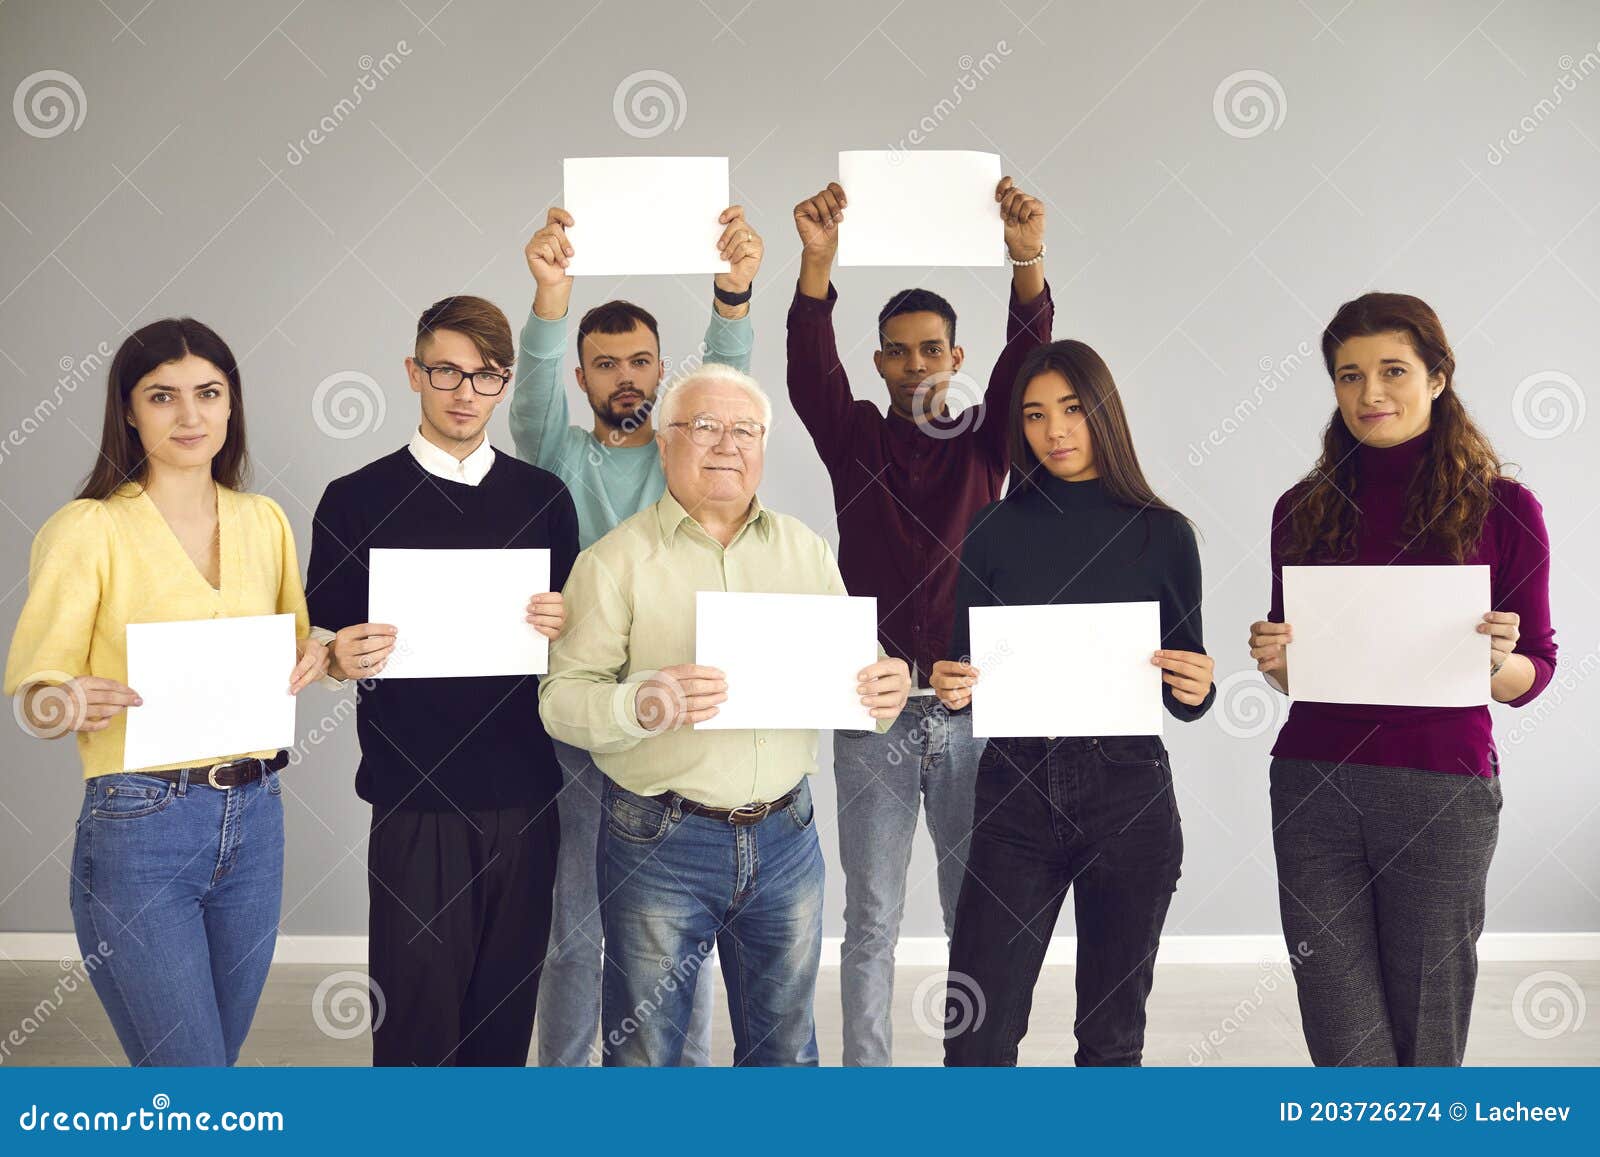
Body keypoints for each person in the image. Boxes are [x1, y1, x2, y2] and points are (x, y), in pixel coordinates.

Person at [539, 364, 912, 1066]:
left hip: (786, 836)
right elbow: (560, 697)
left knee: (784, 1050)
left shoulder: (805, 549)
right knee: (645, 1054)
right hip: (659, 839)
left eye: (745, 429)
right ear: (665, 442)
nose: (726, 443)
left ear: (764, 445)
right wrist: (640, 702)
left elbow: (864, 673)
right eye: (703, 426)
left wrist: (888, 686)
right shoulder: (612, 562)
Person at [3, 318, 327, 1066]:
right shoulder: (87, 529)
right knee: (190, 1074)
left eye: (209, 393)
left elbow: (300, 643)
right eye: (163, 396)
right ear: (128, 409)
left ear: (231, 404)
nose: (190, 415)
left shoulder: (264, 519)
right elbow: (34, 688)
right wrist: (64, 701)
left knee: (211, 1069)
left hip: (257, 820)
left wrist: (324, 649)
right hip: (139, 824)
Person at [1247, 292, 1557, 1066]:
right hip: (1314, 783)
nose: (1369, 393)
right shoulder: (1302, 507)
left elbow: (1534, 671)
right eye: (1348, 376)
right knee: (1340, 1030)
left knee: (1427, 1032)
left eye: (1392, 370)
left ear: (1439, 377)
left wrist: (1497, 662)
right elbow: (1300, 673)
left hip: (1440, 789)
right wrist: (1279, 662)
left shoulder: (1505, 508)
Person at [786, 175, 1053, 1064]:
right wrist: (816, 266)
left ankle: (970, 1076)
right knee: (871, 918)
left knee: (975, 909)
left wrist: (1026, 257)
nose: (915, 365)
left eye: (931, 349)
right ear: (880, 362)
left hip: (973, 706)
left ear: (955, 354)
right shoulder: (855, 435)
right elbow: (807, 371)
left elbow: (1030, 350)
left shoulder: (986, 438)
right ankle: (870, 1083)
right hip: (873, 709)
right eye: (897, 352)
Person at [509, 202, 762, 1066]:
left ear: (663, 372)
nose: (625, 377)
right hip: (587, 715)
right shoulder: (557, 454)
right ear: (582, 377)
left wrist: (732, 297)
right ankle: (568, 1085)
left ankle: (679, 1087)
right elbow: (531, 386)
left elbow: (727, 378)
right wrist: (549, 298)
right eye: (605, 364)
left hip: (680, 716)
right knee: (576, 926)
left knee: (674, 929)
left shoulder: (682, 455)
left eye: (640, 362)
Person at [306, 295, 578, 1066]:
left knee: (502, 1017)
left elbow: (577, 652)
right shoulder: (356, 498)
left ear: (504, 383)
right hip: (414, 798)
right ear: (413, 373)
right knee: (416, 1025)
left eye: (486, 376)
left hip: (527, 794)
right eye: (447, 372)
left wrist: (568, 625)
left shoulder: (543, 499)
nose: (465, 392)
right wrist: (334, 658)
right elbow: (321, 639)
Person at [931, 339, 1215, 1066]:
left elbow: (1185, 696)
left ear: (1103, 415)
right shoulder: (993, 528)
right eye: (1034, 415)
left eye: (1072, 409)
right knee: (976, 1037)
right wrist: (954, 683)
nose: (1054, 430)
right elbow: (966, 680)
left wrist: (1198, 684)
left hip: (1129, 791)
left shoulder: (1166, 533)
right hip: (1014, 788)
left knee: (1112, 1040)